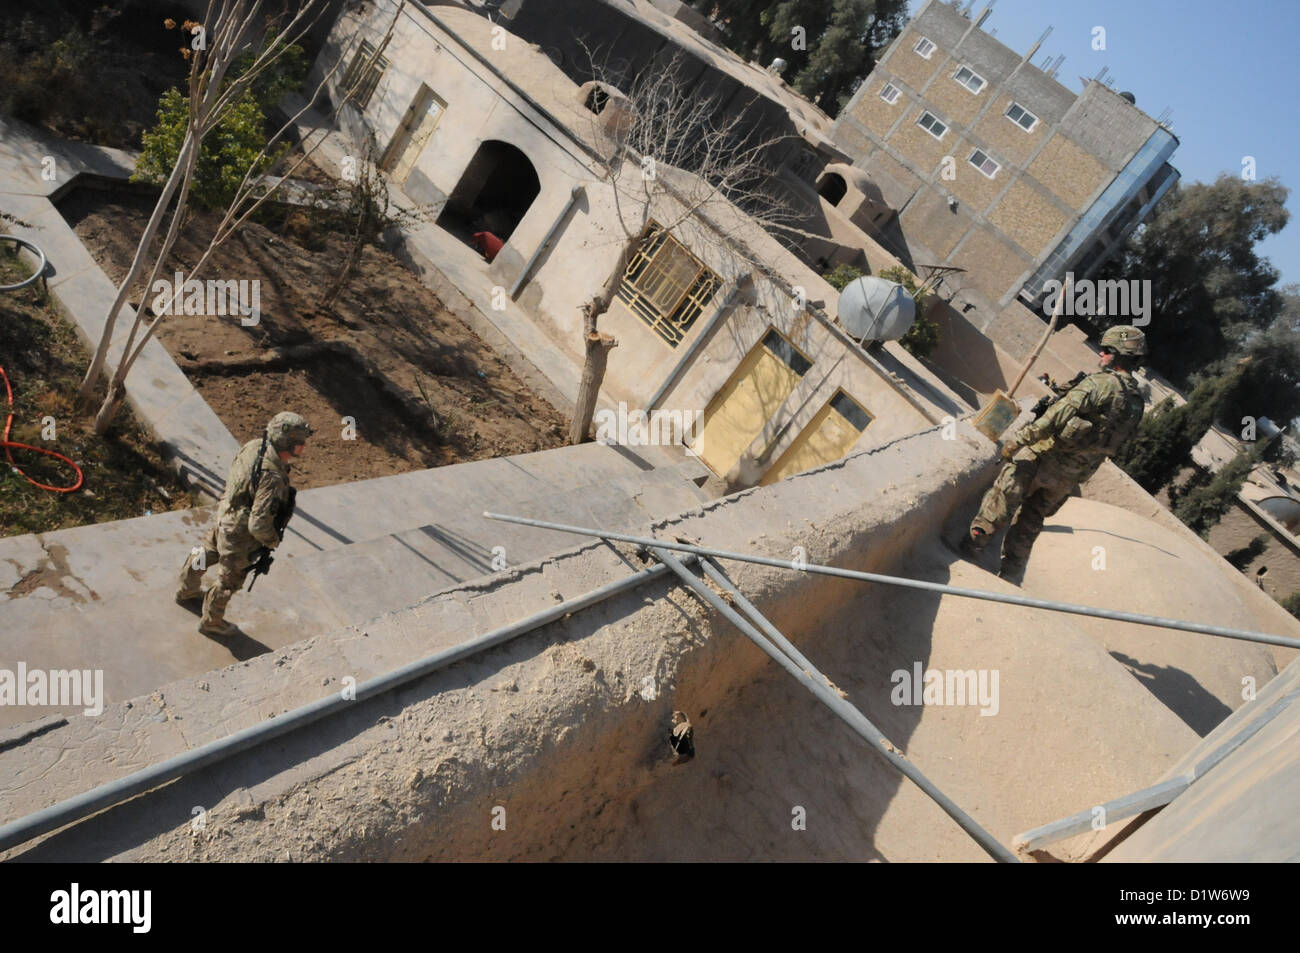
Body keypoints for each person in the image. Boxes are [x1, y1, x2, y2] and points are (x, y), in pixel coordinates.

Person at [958, 325, 1148, 585]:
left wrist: (1017, 443)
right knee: (1033, 519)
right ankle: (1011, 572)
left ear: (1117, 355)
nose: (1101, 354)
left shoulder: (1100, 384)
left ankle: (973, 544)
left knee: (1004, 496)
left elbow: (1055, 417)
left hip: (1044, 457)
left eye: (1107, 350)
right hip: (1071, 475)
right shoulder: (1137, 403)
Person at [176, 412, 313, 636]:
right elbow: (258, 525)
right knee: (229, 580)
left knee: (207, 552)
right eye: (300, 442)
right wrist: (273, 540)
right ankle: (212, 621)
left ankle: (186, 589)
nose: (304, 446)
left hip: (225, 514)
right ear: (288, 443)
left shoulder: (254, 446)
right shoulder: (272, 477)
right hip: (239, 534)